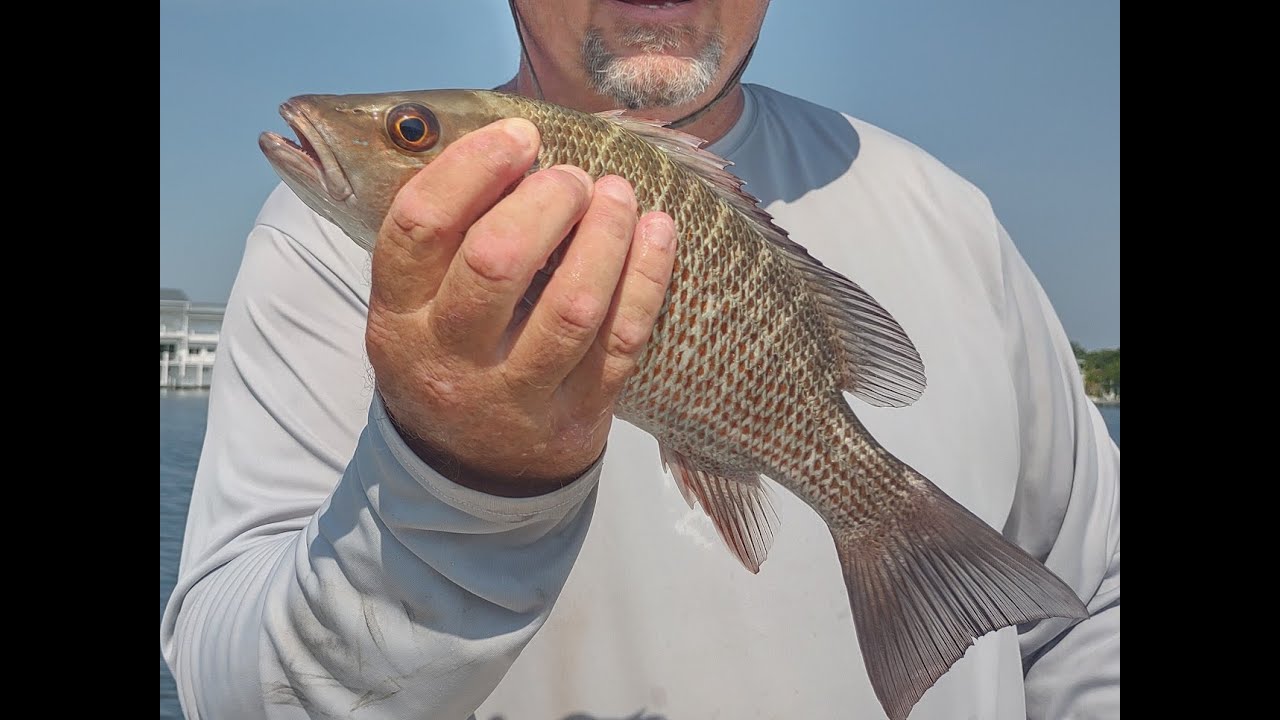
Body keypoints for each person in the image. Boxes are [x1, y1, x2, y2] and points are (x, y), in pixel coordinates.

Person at [160, 1, 1120, 718]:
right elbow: (227, 692)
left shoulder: (953, 217)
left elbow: (1095, 607)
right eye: (412, 134)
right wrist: (455, 480)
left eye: (409, 131)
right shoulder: (321, 246)